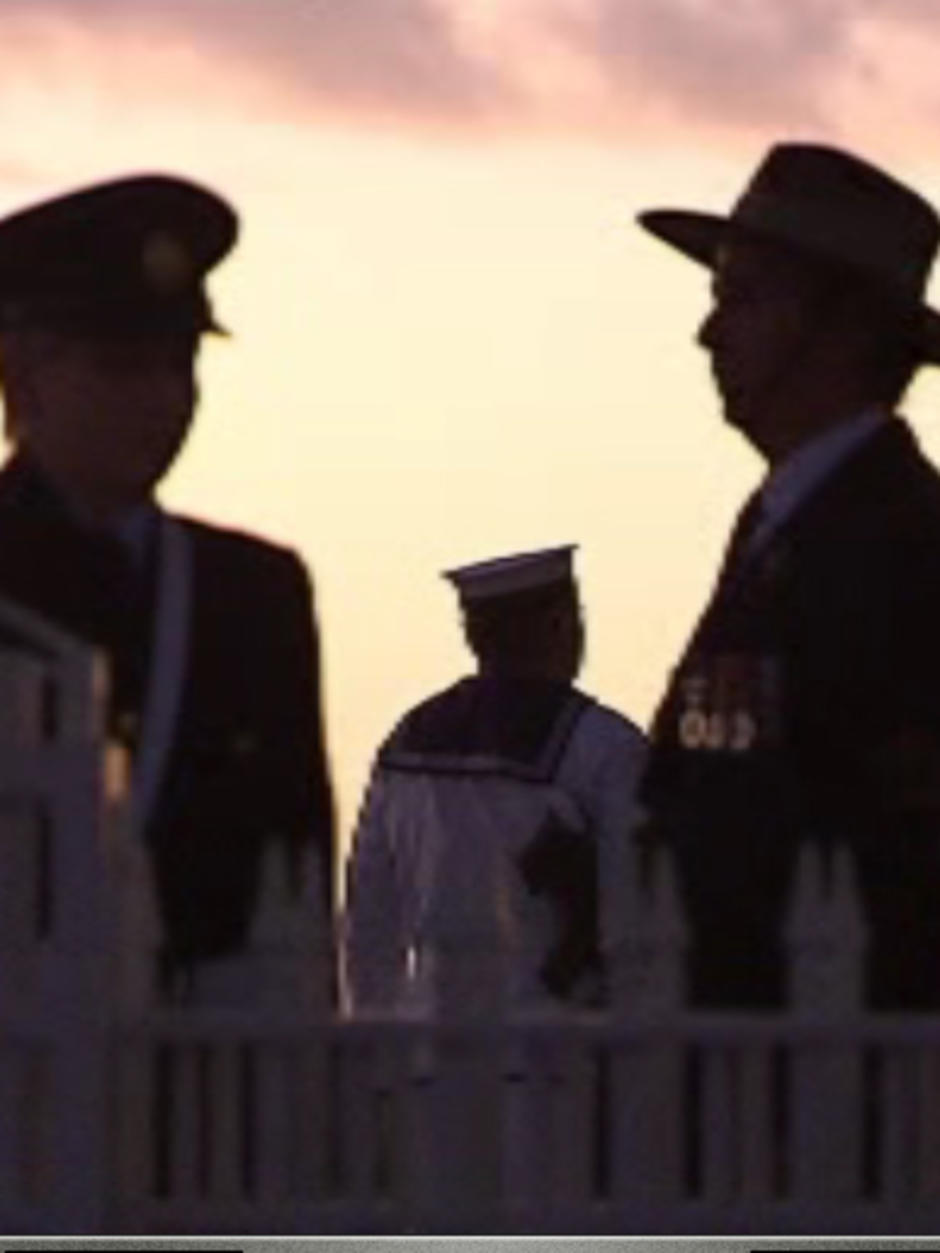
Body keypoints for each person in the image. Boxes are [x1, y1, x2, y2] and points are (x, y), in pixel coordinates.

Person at [0, 174, 335, 974]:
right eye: (121, 366)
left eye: (178, 363)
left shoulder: (252, 590)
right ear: (24, 371)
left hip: (200, 1072)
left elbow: (298, 859)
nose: (162, 397)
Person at [636, 142, 940, 1009]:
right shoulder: (786, 523)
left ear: (840, 329)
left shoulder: (901, 546)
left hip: (826, 1069)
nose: (710, 331)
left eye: (744, 297)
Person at [345, 545, 646, 1012]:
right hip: (559, 1042)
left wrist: (375, 1031)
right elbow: (633, 900)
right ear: (561, 626)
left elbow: (371, 912)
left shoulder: (406, 741)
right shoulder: (603, 742)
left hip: (428, 1041)